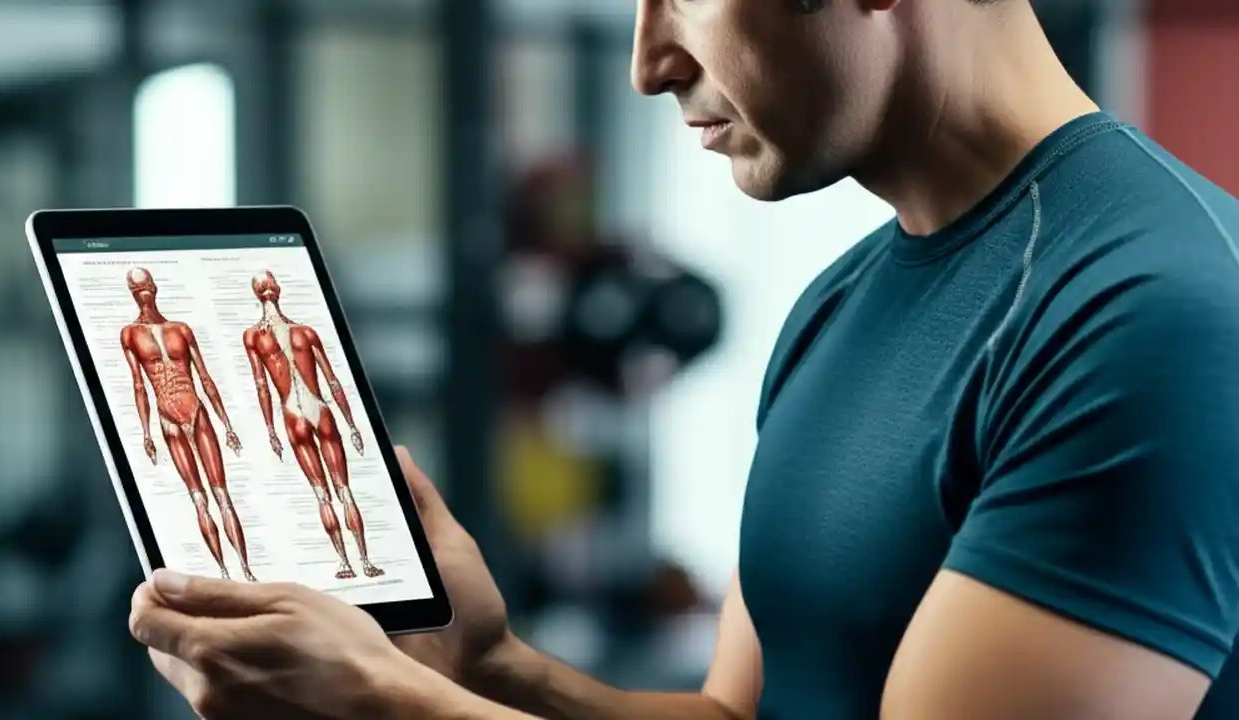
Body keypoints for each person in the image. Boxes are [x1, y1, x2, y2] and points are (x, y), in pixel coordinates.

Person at [127, 0, 1239, 717]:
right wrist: (494, 670)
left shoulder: (1153, 315)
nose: (647, 63)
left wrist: (391, 711)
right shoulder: (838, 301)